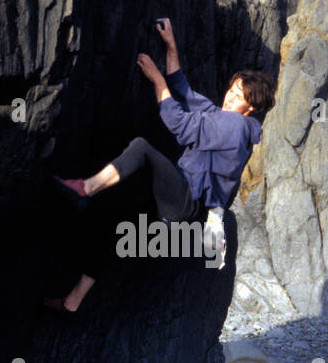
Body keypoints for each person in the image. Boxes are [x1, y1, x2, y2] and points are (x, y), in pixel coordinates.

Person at [44, 17, 276, 312]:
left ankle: (84, 188)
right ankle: (72, 301)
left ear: (251, 108)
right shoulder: (224, 117)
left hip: (187, 201)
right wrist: (171, 46)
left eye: (238, 96)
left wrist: (156, 80)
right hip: (179, 202)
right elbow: (185, 92)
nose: (229, 97)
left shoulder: (237, 127)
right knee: (112, 217)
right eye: (231, 89)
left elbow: (178, 123)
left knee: (142, 148)